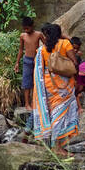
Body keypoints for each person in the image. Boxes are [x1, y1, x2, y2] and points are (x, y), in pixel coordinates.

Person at [33, 23, 80, 152]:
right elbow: (74, 61)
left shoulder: (42, 49)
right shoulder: (65, 44)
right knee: (60, 115)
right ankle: (57, 146)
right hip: (64, 84)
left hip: (49, 84)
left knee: (54, 112)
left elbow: (40, 68)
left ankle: (54, 144)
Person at [17, 17, 43, 111]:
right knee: (26, 83)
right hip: (27, 61)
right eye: (24, 28)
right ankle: (27, 104)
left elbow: (45, 47)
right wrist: (17, 63)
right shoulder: (22, 36)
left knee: (36, 82)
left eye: (27, 28)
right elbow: (21, 50)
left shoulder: (39, 34)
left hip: (37, 61)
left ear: (32, 26)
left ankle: (34, 102)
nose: (26, 30)